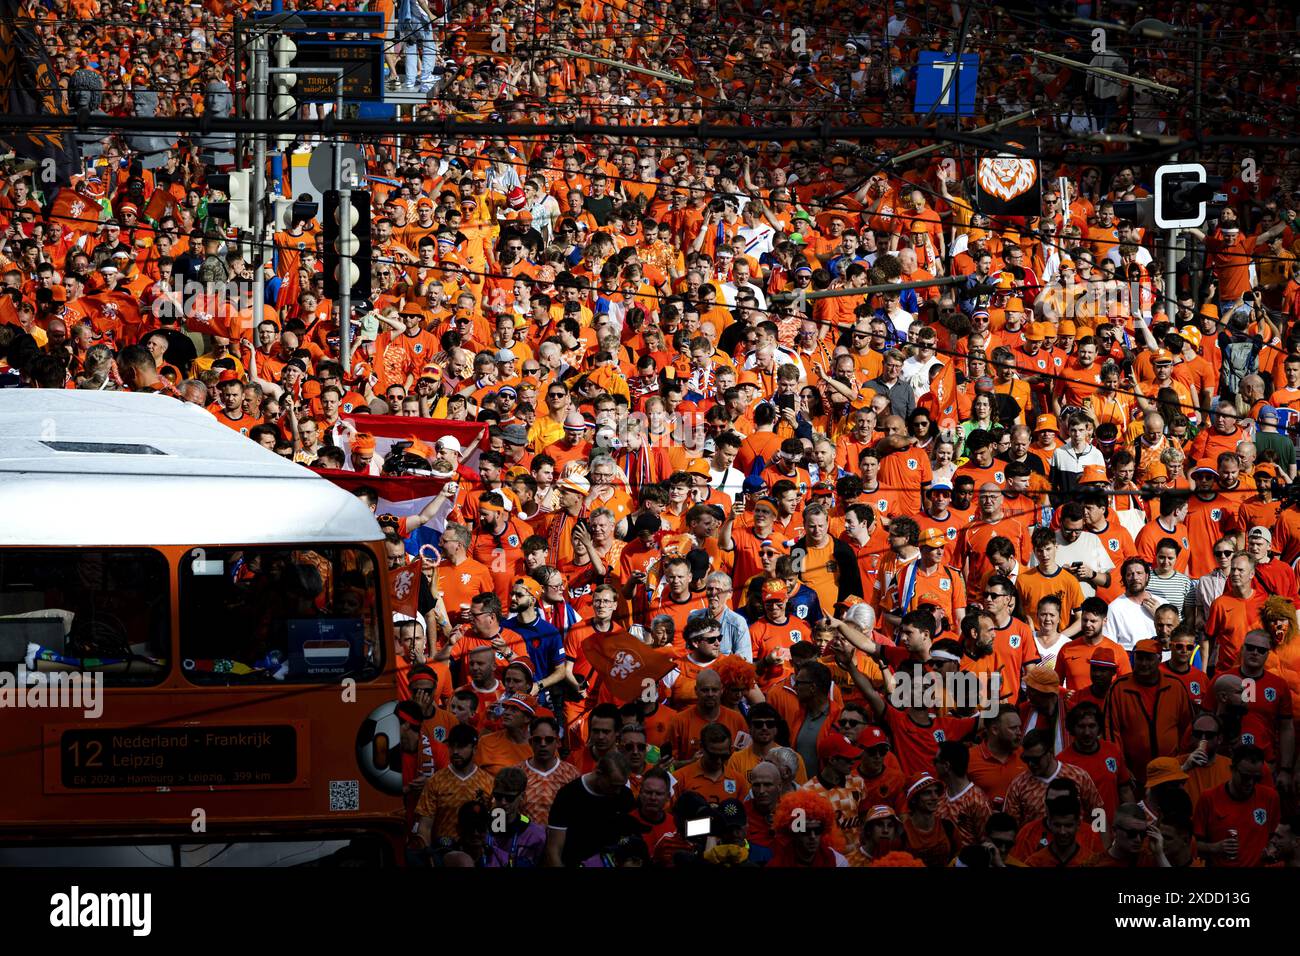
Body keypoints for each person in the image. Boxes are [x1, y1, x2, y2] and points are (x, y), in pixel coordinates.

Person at [1104, 639, 1195, 789]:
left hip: (1172, 773)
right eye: (1140, 658)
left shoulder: (1175, 686)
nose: (1144, 663)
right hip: (1134, 776)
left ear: (1159, 659)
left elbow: (1188, 728)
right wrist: (1122, 768)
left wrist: (1182, 761)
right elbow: (1112, 732)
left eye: (1149, 658)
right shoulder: (1119, 688)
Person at [544, 751, 637, 867]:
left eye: (621, 786)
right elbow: (554, 850)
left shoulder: (624, 795)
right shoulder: (568, 795)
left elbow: (633, 839)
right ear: (599, 773)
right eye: (614, 786)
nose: (618, 791)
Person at [1193, 744, 1280, 867]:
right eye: (1245, 777)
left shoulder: (1270, 797)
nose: (1250, 783)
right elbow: (1191, 844)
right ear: (1232, 769)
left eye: (1256, 778)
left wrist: (1271, 849)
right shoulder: (1208, 798)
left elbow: (1275, 838)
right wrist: (1214, 848)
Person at [414, 723, 496, 849]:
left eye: (462, 746)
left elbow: (497, 825)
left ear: (475, 748)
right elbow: (425, 826)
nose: (455, 751)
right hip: (443, 852)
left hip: (479, 853)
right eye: (452, 746)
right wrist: (428, 857)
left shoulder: (488, 782)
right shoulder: (435, 781)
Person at [514, 714, 580, 828]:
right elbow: (500, 811)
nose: (543, 744)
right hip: (523, 841)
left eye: (549, 740)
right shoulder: (516, 773)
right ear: (530, 742)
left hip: (562, 841)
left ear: (558, 742)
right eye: (537, 739)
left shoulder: (572, 774)